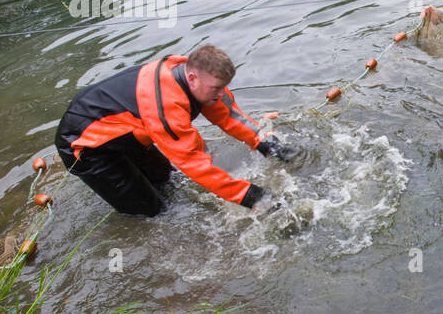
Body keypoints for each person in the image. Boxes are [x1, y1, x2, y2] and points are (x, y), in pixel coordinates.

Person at [54, 44, 294, 217]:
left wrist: (263, 142)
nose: (221, 93)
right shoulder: (166, 106)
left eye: (225, 87)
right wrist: (251, 195)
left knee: (166, 179)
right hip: (85, 146)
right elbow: (194, 164)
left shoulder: (197, 77)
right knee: (151, 211)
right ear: (192, 78)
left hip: (128, 132)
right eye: (217, 88)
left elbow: (228, 114)